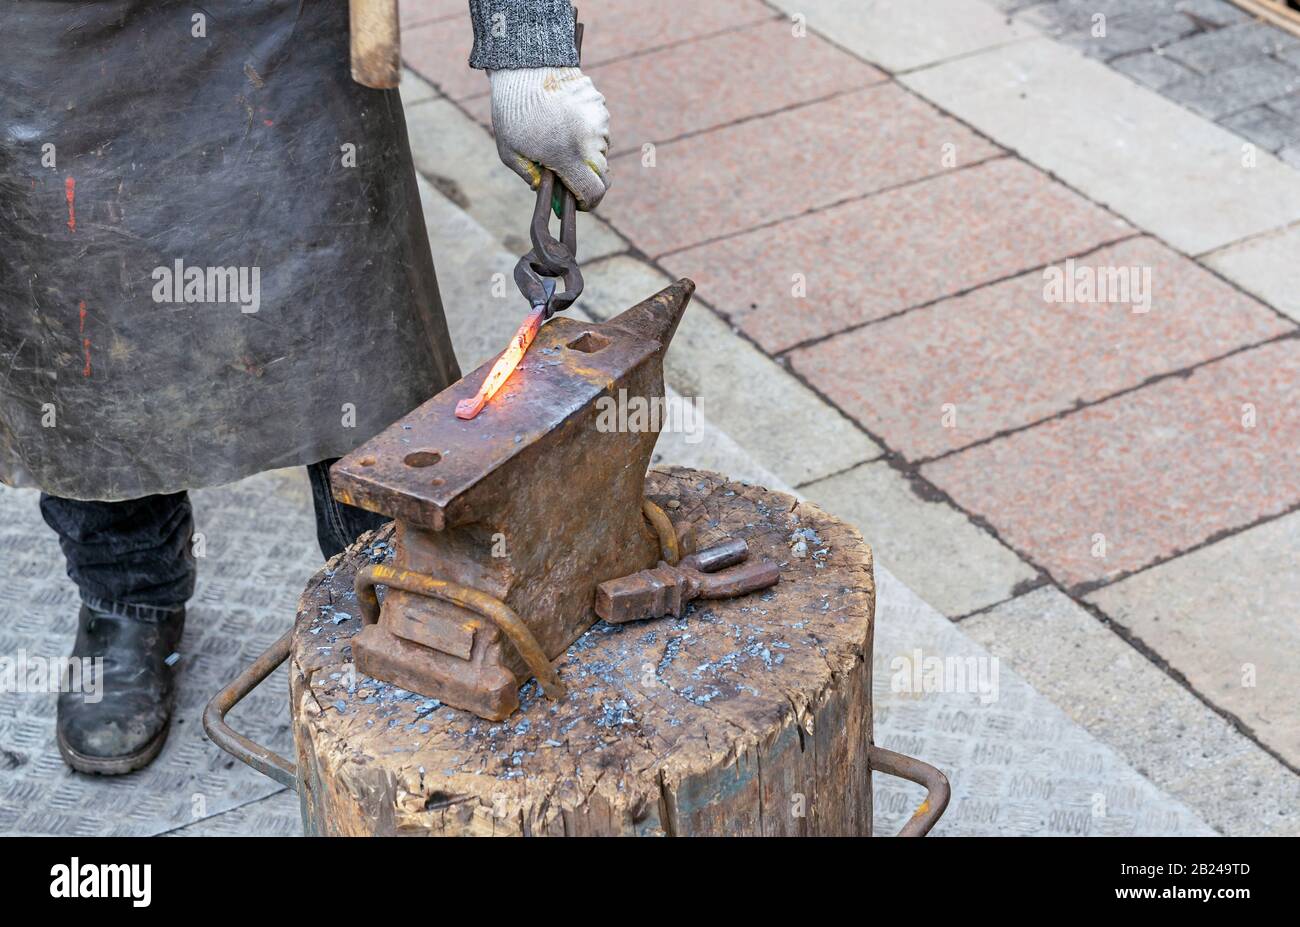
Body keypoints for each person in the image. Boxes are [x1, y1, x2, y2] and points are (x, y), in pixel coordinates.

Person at [0, 0, 610, 775]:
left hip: (279, 30)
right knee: (82, 320)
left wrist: (528, 50)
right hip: (42, 44)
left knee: (352, 334)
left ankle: (396, 594)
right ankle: (125, 591)